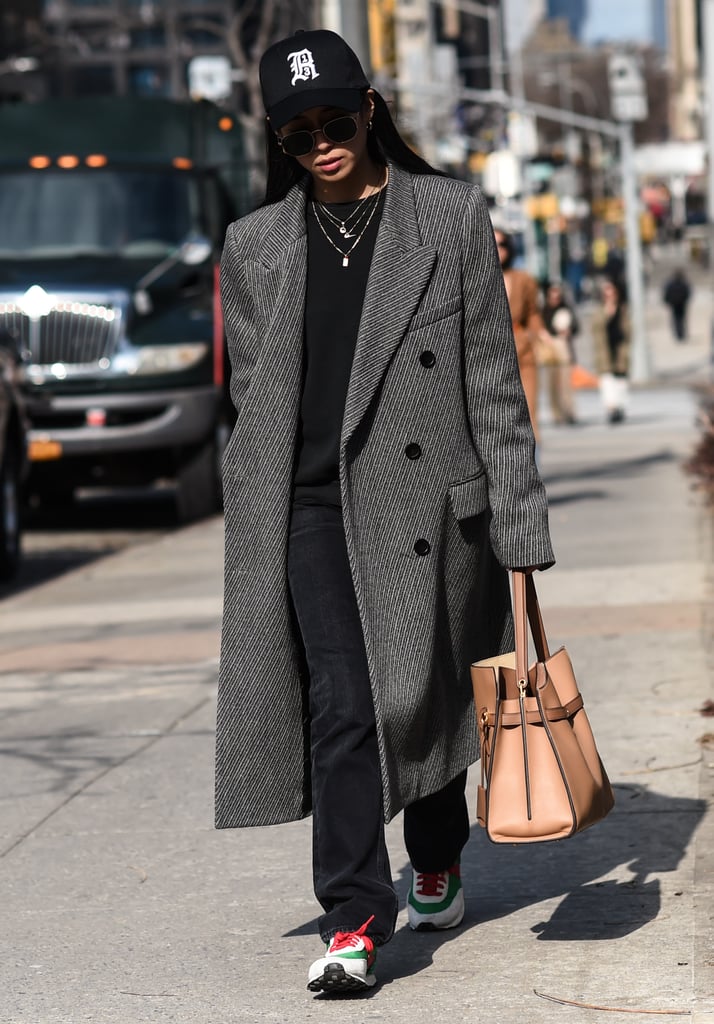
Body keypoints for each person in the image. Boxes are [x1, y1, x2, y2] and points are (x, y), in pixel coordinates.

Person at [215, 28, 554, 996]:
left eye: (335, 122)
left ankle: (436, 853)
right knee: (348, 707)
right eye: (298, 133)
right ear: (280, 141)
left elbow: (493, 381)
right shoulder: (255, 246)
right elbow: (254, 399)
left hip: (429, 504)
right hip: (312, 504)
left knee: (428, 695)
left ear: (370, 110)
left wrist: (521, 527)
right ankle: (356, 917)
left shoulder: (447, 215)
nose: (321, 144)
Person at [493, 230, 551, 442]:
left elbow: (532, 313)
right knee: (497, 415)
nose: (498, 249)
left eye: (502, 244)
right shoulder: (476, 278)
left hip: (522, 350)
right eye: (492, 243)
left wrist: (541, 333)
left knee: (528, 410)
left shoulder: (523, 279)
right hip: (490, 353)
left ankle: (532, 458)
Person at [592, 277, 630, 424]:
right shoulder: (599, 311)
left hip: (619, 350)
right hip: (605, 351)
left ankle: (620, 407)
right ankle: (611, 408)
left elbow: (628, 330)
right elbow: (595, 328)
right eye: (606, 292)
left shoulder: (623, 309)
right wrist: (607, 313)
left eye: (612, 292)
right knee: (607, 381)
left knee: (620, 382)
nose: (609, 295)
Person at [541, 281, 578, 426]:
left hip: (564, 350)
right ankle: (556, 414)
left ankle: (569, 412)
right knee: (552, 385)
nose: (555, 297)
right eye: (552, 294)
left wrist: (569, 331)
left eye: (557, 295)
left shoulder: (565, 309)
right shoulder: (543, 310)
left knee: (566, 385)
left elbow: (576, 327)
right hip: (549, 351)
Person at [662, 268, 691, 342]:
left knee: (676, 319)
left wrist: (667, 301)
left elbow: (667, 293)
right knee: (681, 319)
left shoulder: (671, 283)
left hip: (675, 303)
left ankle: (679, 333)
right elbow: (688, 292)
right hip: (681, 303)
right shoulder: (683, 283)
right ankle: (681, 333)